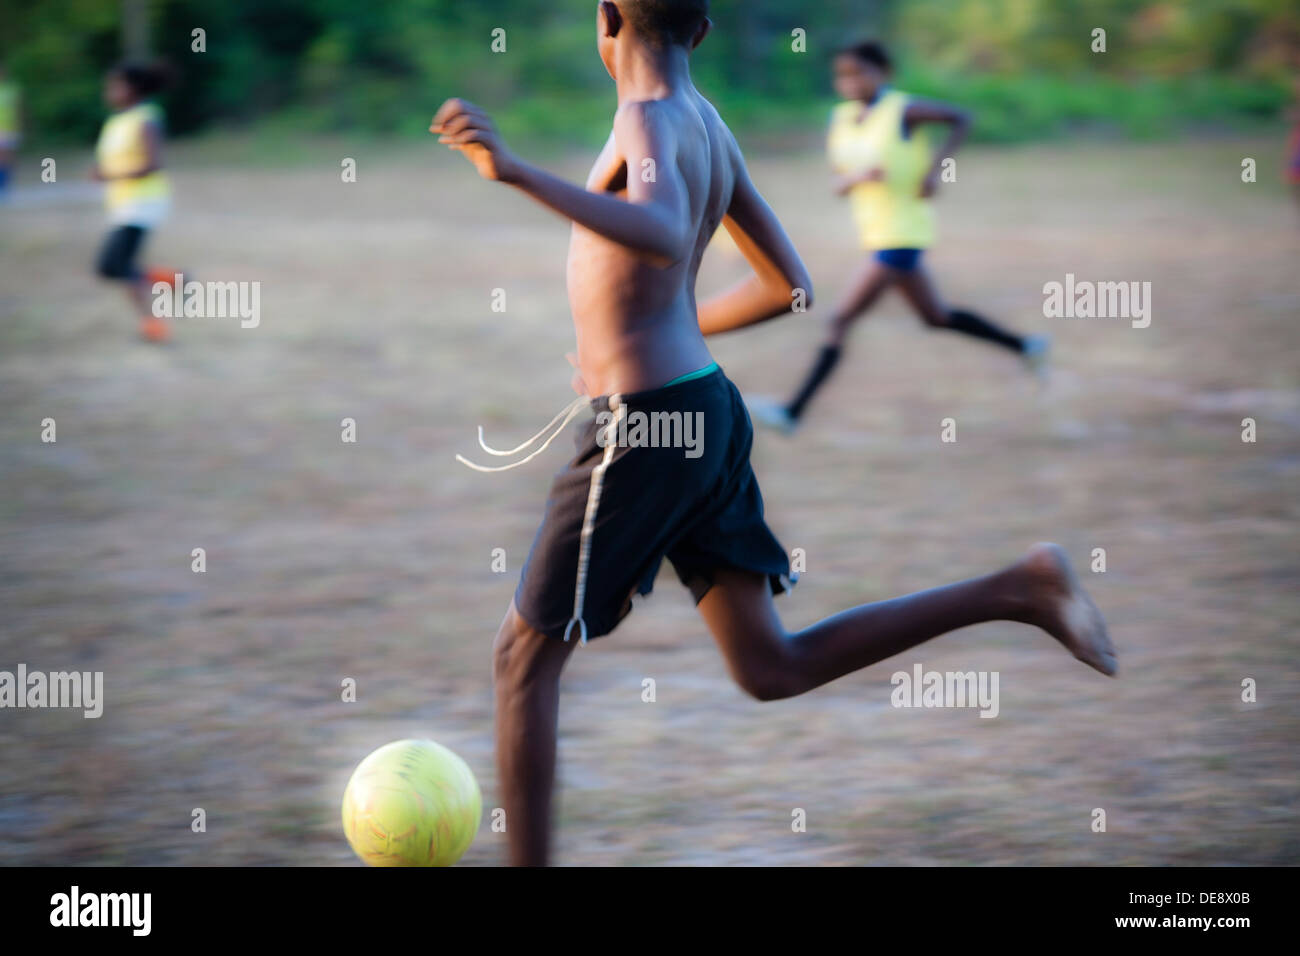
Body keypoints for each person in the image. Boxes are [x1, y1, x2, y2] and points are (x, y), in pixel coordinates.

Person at [434, 1, 1115, 867]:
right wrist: (652, 335)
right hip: (703, 412)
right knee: (770, 667)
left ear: (605, 19)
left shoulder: (645, 119)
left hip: (649, 430)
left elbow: (661, 229)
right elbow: (787, 285)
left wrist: (516, 172)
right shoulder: (705, 123)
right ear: (704, 29)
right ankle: (1020, 587)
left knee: (521, 662)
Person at [748, 40, 1048, 435]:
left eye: (859, 73)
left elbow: (961, 117)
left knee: (839, 320)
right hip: (875, 232)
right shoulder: (840, 119)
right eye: (843, 75)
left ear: (883, 72)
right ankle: (1026, 346)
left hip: (903, 233)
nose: (851, 82)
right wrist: (857, 178)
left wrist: (937, 170)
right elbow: (839, 184)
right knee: (935, 316)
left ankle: (792, 412)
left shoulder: (902, 110)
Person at [91, 61, 180, 343]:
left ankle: (154, 324)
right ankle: (171, 281)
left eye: (115, 86)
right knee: (113, 266)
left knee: (114, 264)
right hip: (123, 204)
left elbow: (153, 164)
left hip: (143, 204)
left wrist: (111, 174)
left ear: (133, 89)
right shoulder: (117, 121)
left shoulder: (146, 118)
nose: (109, 91)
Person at [0, 63, 20, 199]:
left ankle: (6, 186)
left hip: (10, 128)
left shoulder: (11, 90)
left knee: (9, 159)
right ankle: (3, 186)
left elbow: (18, 110)